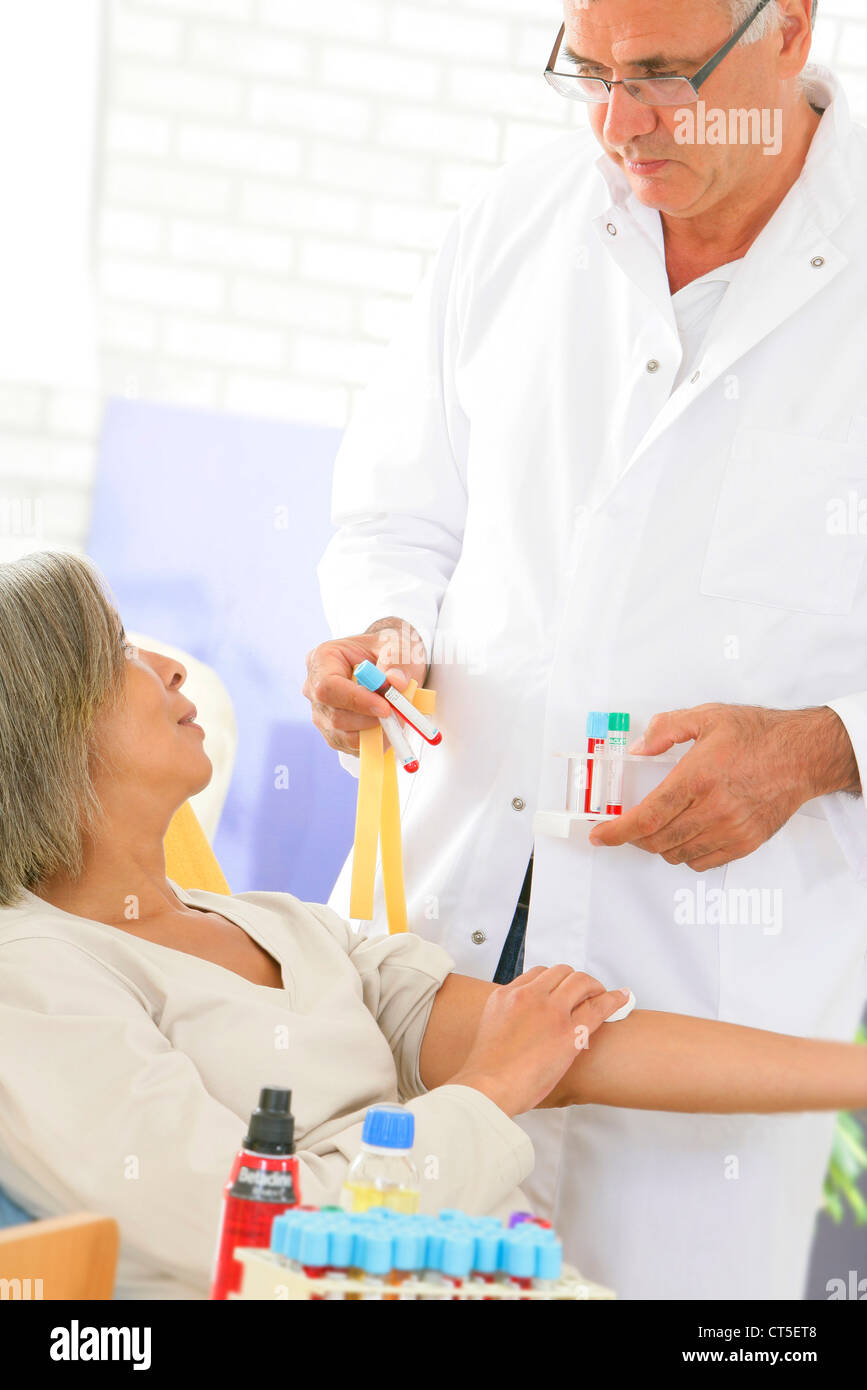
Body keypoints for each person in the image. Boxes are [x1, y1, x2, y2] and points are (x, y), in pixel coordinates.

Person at [307, 0, 867, 1299]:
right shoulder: (515, 221)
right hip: (437, 951)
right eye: (589, 71)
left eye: (665, 77)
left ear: (787, 26)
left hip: (707, 999)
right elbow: (395, 515)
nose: (617, 124)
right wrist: (384, 631)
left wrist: (821, 744)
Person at [1, 550, 865, 1298]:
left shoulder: (281, 928)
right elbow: (251, 1235)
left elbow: (556, 1044)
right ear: (35, 725)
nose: (169, 665)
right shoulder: (32, 977)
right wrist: (489, 1090)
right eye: (116, 647)